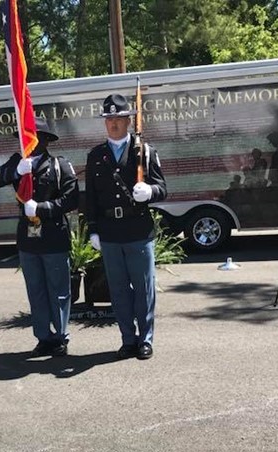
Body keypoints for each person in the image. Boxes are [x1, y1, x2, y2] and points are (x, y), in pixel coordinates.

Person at [0, 116, 80, 357]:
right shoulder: (17, 163)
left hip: (54, 236)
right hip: (28, 237)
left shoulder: (60, 165)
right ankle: (43, 337)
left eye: (34, 137)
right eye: (25, 137)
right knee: (35, 289)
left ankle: (60, 335)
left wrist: (42, 207)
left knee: (58, 289)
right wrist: (14, 170)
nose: (28, 142)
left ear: (45, 140)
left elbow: (72, 199)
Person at [82, 93, 168, 360]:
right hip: (109, 231)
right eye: (108, 119)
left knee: (143, 288)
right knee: (117, 290)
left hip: (137, 229)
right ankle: (127, 339)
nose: (113, 124)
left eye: (118, 118)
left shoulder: (144, 151)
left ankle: (145, 339)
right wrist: (93, 229)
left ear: (128, 120)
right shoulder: (96, 155)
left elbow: (163, 189)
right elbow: (91, 198)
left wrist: (150, 191)